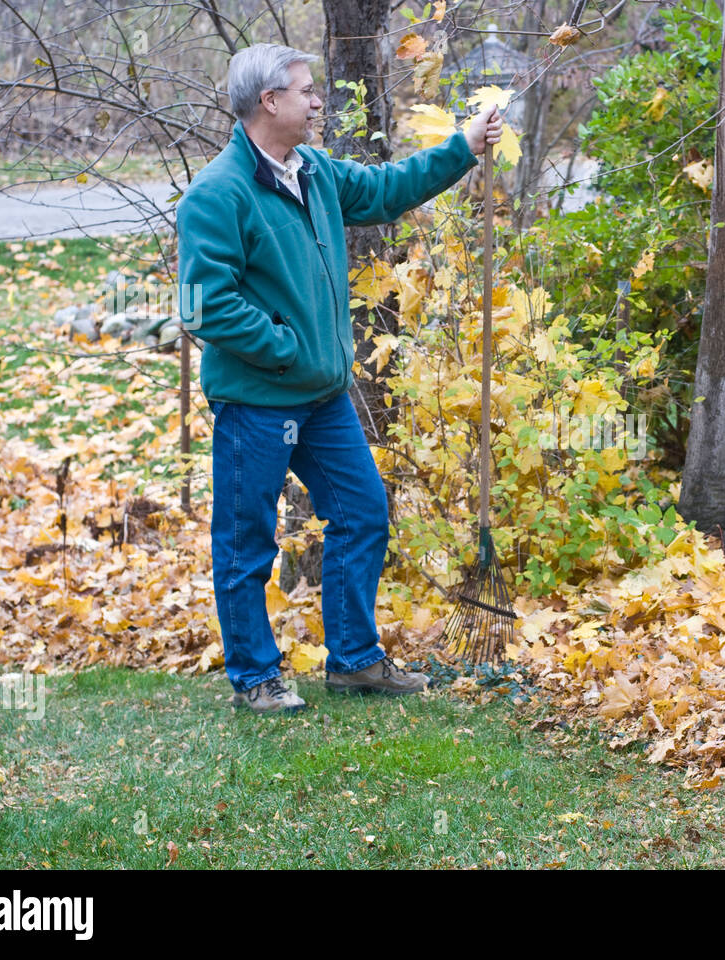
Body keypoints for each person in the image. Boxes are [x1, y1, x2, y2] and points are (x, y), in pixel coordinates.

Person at [177, 43, 502, 713]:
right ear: (269, 102)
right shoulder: (218, 193)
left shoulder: (314, 172)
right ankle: (255, 678)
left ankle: (354, 661)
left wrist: (462, 146)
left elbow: (388, 189)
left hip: (323, 400)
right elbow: (201, 305)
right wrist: (286, 348)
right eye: (305, 91)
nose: (317, 100)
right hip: (258, 402)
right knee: (246, 545)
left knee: (362, 513)